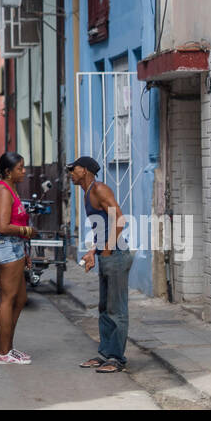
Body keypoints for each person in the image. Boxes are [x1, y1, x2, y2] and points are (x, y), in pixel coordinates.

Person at [70, 156, 132, 373]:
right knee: (104, 309)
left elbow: (120, 220)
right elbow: (102, 227)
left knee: (116, 310)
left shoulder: (99, 189)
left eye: (73, 168)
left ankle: (116, 359)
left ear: (85, 170)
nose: (70, 172)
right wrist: (93, 252)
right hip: (108, 253)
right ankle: (105, 354)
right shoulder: (88, 193)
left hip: (116, 255)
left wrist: (107, 250)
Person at [0, 152, 35, 365]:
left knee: (20, 298)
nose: (24, 171)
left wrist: (25, 252)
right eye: (20, 168)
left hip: (14, 247)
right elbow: (4, 226)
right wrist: (26, 230)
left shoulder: (10, 188)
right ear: (8, 171)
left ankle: (9, 347)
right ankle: (3, 352)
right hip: (6, 246)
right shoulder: (3, 190)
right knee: (8, 299)